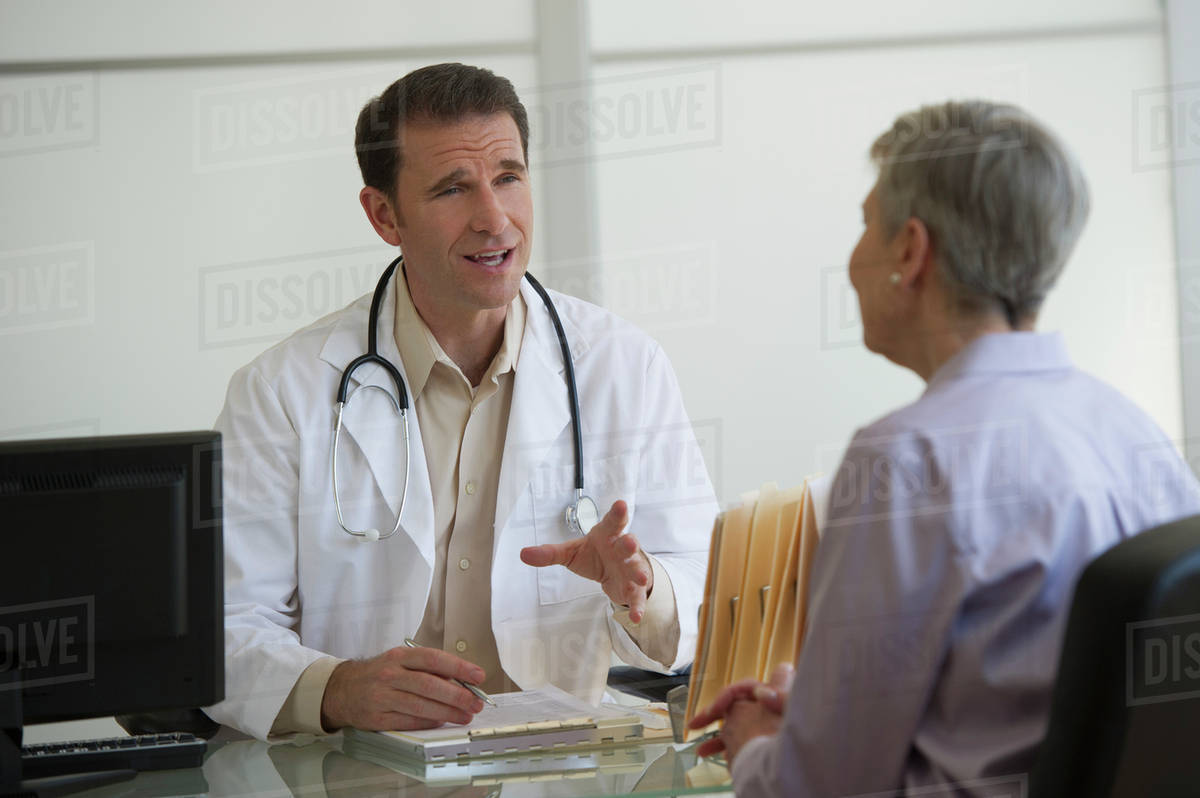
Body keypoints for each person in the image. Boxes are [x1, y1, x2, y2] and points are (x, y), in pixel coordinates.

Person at [690, 101, 1200, 795]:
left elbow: (824, 788)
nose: (853, 259)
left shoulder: (903, 461)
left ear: (911, 251)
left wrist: (755, 745)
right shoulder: (1132, 430)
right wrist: (815, 710)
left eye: (866, 224)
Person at [202, 63, 717, 741]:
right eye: (453, 188)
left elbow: (709, 589)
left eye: (509, 176)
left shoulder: (624, 366)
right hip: (364, 777)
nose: (494, 218)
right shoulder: (281, 392)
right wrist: (339, 689)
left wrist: (642, 590)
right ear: (384, 215)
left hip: (556, 772)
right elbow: (227, 630)